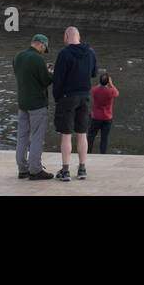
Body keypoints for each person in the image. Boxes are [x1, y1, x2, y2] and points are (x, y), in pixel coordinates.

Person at [51, 27, 97, 182]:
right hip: (85, 96)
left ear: (66, 36)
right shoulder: (91, 52)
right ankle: (82, 168)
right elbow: (94, 73)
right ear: (79, 36)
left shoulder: (64, 54)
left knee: (66, 135)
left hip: (68, 97)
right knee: (82, 133)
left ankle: (65, 170)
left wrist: (57, 97)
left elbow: (58, 79)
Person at [13, 34, 53, 180]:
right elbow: (45, 81)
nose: (44, 51)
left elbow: (22, 75)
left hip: (22, 102)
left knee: (22, 136)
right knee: (36, 136)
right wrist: (50, 73)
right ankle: (35, 170)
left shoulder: (18, 56)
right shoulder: (38, 59)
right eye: (44, 49)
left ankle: (22, 169)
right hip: (37, 104)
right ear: (41, 45)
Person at [87, 73, 119, 155]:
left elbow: (92, 91)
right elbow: (117, 93)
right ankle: (102, 154)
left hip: (96, 117)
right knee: (104, 138)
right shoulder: (111, 91)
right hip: (107, 117)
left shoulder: (94, 90)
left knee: (91, 136)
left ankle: (88, 152)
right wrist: (111, 84)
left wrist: (100, 83)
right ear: (108, 82)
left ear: (99, 81)